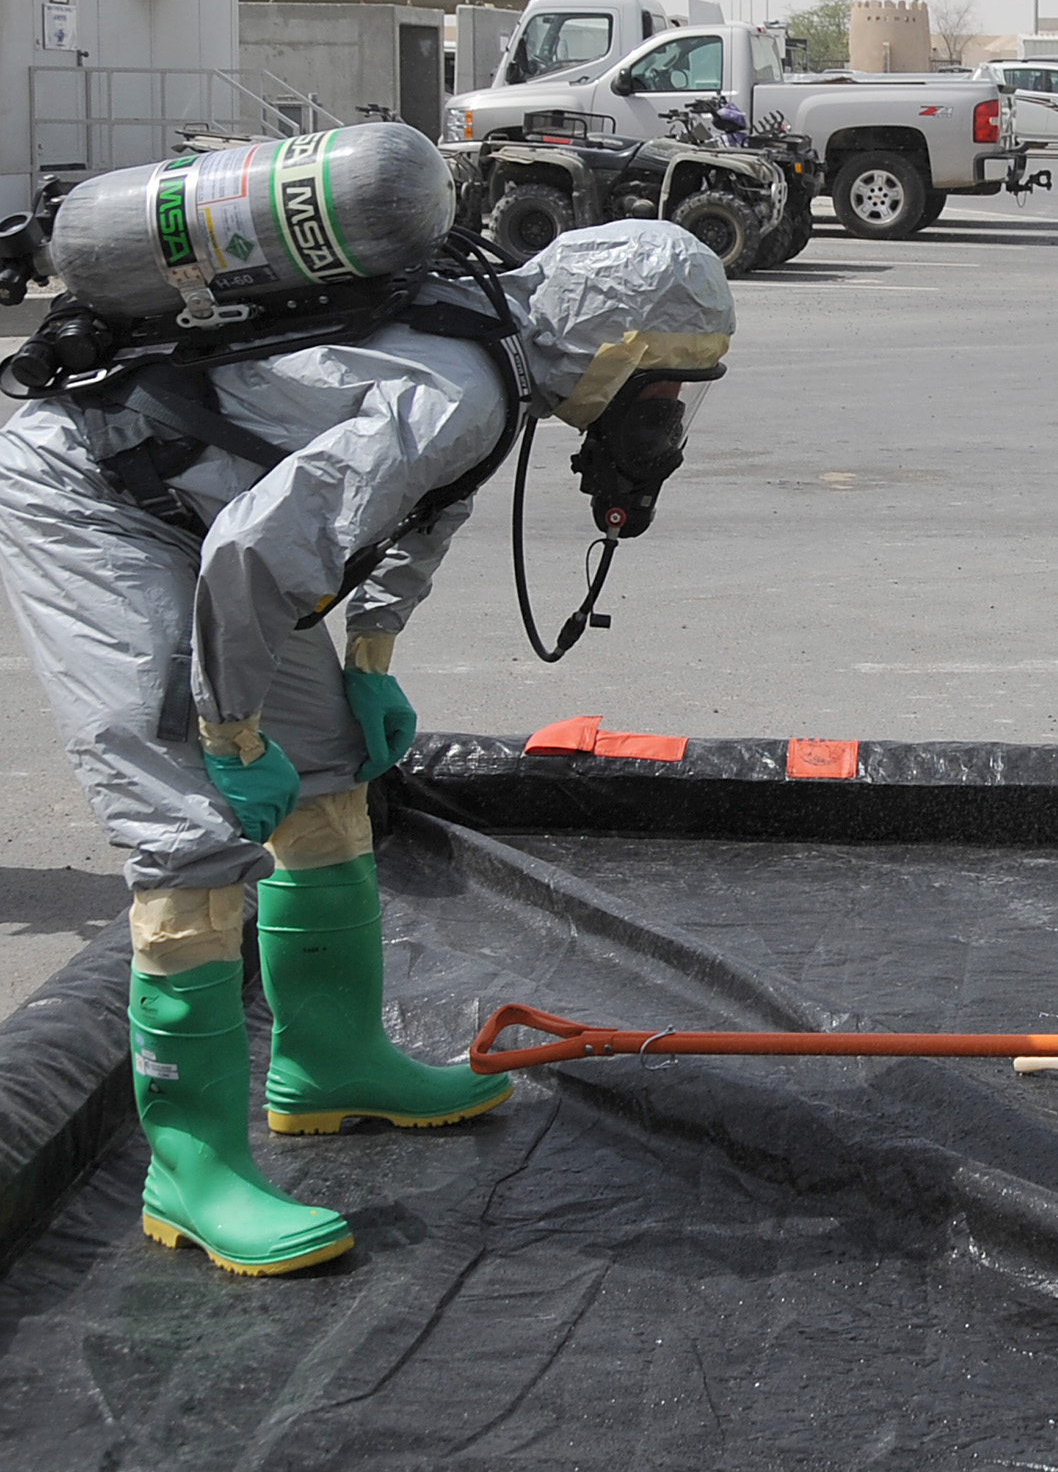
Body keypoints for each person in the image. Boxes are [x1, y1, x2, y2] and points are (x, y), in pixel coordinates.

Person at [0, 219, 735, 1275]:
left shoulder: (499, 355)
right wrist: (229, 728)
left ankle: (329, 1062)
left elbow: (414, 511)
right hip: (96, 494)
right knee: (190, 833)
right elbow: (260, 555)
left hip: (209, 510)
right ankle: (190, 1166)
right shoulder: (467, 389)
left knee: (331, 775)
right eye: (664, 385)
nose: (664, 416)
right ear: (615, 345)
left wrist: (372, 655)